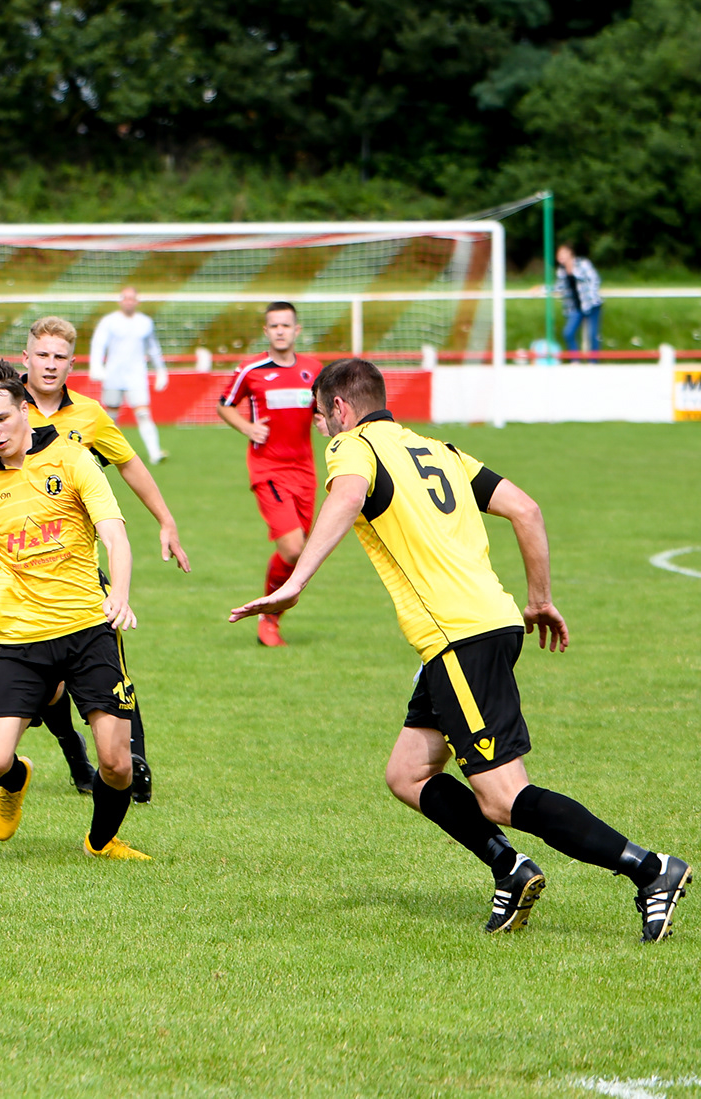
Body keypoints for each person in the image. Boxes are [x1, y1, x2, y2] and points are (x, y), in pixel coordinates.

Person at [230, 358, 689, 941]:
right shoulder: (438, 450)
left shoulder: (352, 447)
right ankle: (510, 866)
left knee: (502, 797)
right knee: (408, 772)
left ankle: (652, 870)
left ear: (341, 409)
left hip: (458, 636)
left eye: (320, 416)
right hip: (483, 624)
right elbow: (526, 508)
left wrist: (294, 584)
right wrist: (540, 598)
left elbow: (346, 498)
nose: (320, 427)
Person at [0, 316, 188, 803]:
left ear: (71, 362)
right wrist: (20, 481)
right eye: (43, 355)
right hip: (25, 561)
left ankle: (130, 767)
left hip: (79, 558)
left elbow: (128, 463)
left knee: (109, 660)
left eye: (60, 357)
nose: (51, 364)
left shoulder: (89, 416)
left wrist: (165, 520)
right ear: (26, 359)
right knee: (48, 678)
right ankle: (71, 749)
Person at [0, 363, 149, 860]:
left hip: (87, 627)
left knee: (117, 763)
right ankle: (17, 779)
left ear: (25, 408)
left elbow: (114, 534)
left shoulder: (74, 460)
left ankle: (101, 842)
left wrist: (121, 593)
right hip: (15, 635)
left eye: (1, 418)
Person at [216, 302, 324, 648]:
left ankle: (271, 618)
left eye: (286, 325)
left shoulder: (313, 370)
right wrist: (247, 427)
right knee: (294, 549)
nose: (280, 330)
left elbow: (322, 410)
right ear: (266, 332)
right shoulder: (252, 369)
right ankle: (267, 616)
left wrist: (325, 424)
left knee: (300, 551)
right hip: (269, 470)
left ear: (297, 331)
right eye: (273, 325)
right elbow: (223, 404)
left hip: (305, 471)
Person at [88, 287, 169, 464]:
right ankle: (106, 452)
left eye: (132, 298)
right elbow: (98, 344)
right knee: (111, 415)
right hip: (113, 375)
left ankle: (155, 452)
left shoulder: (145, 322)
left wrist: (161, 370)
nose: (129, 302)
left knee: (143, 413)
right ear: (120, 301)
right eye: (126, 298)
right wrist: (96, 366)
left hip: (136, 376)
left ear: (137, 301)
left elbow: (153, 348)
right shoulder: (109, 322)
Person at [556, 244, 603, 363]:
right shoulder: (561, 271)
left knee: (593, 335)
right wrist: (542, 289)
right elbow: (559, 287)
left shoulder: (583, 264)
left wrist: (591, 295)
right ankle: (575, 360)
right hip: (574, 307)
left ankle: (593, 363)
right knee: (568, 333)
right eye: (558, 254)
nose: (560, 256)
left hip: (591, 305)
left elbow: (595, 279)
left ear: (570, 253)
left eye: (563, 253)